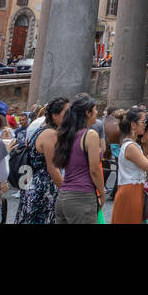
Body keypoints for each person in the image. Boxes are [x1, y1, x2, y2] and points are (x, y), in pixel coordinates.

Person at [51, 94, 104, 224]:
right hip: (82, 198)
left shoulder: (67, 134)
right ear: (88, 112)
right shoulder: (91, 134)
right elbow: (95, 170)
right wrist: (102, 192)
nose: (97, 112)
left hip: (63, 196)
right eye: (95, 109)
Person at [15, 96, 68, 224]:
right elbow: (52, 168)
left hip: (33, 185)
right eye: (67, 112)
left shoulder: (41, 130)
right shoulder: (50, 134)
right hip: (43, 189)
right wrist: (67, 191)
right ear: (55, 115)